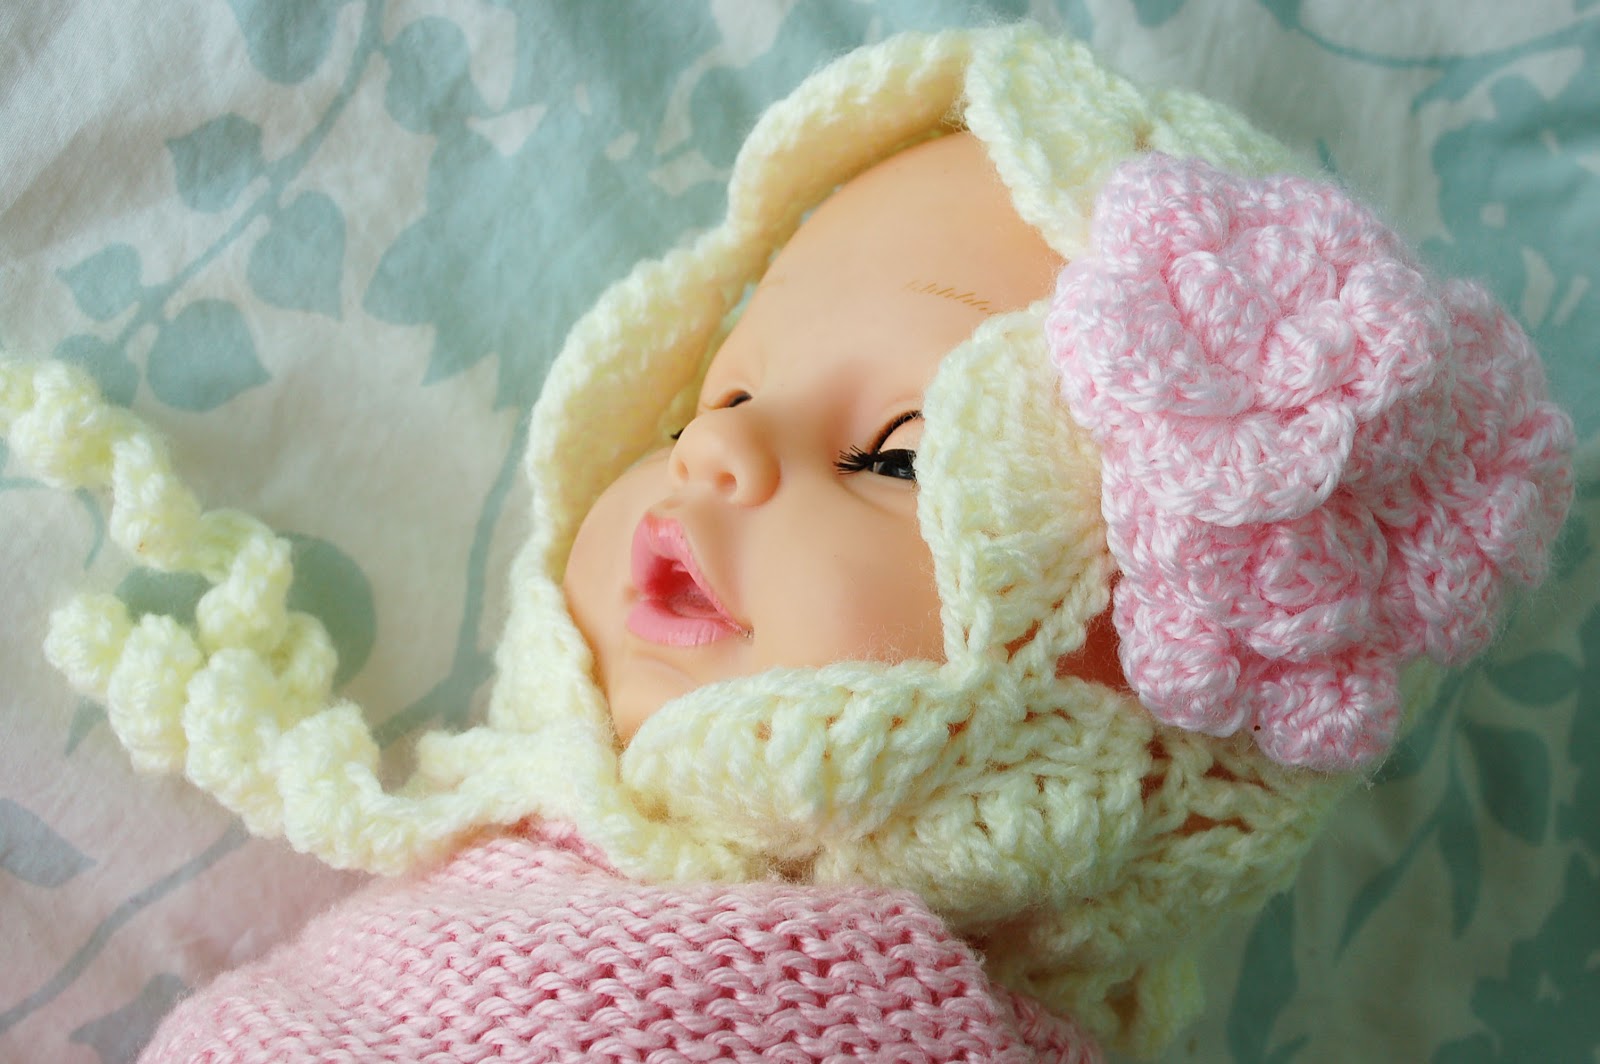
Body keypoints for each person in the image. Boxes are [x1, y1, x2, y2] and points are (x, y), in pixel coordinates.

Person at [0, 23, 1572, 1061]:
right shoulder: (550, 857)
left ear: (1122, 714)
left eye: (893, 458)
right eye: (726, 380)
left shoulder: (853, 1002)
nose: (714, 445)